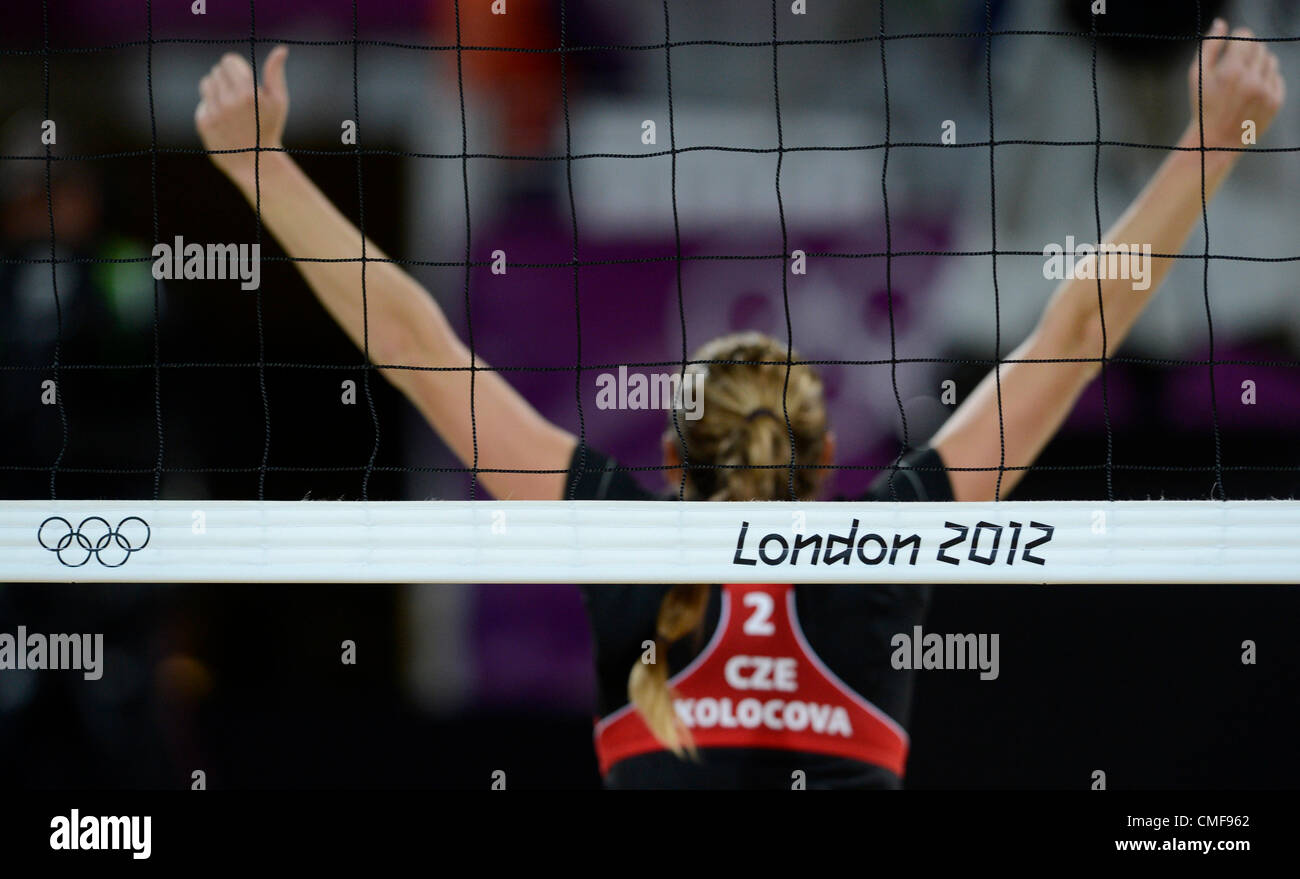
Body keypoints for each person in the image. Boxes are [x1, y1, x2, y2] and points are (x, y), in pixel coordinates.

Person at [193, 19, 1284, 788]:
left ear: (675, 451)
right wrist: (1214, 138)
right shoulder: (881, 550)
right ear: (818, 454)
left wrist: (260, 169)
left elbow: (414, 344)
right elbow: (1079, 329)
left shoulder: (626, 544)